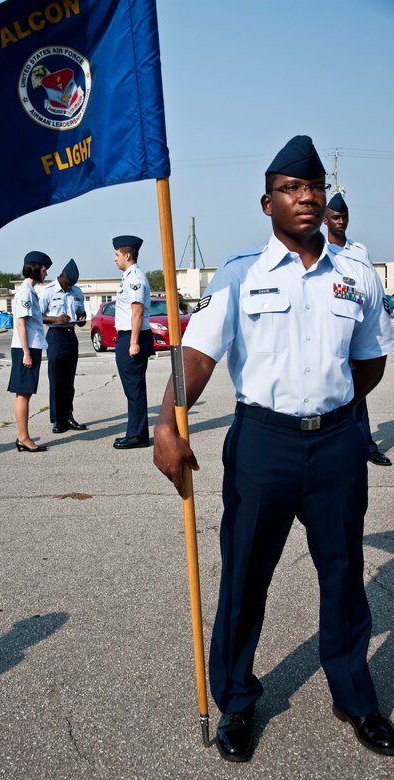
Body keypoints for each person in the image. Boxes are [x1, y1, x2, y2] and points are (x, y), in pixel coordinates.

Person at [153, 136, 394, 761]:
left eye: (313, 188)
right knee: (244, 576)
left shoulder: (355, 276)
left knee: (342, 574)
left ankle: (354, 694)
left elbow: (369, 362)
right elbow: (197, 357)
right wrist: (165, 423)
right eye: (291, 189)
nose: (306, 198)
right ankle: (235, 700)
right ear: (268, 203)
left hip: (338, 445)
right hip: (263, 444)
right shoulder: (240, 275)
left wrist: (332, 402)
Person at [324, 192, 391, 466]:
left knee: (357, 389)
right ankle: (333, 445)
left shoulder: (359, 251)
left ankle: (367, 447)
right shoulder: (319, 249)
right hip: (332, 328)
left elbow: (372, 288)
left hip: (358, 327)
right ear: (325, 220)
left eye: (344, 217)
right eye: (335, 217)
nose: (341, 222)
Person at [112, 235, 155, 449]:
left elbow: (137, 312)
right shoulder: (129, 276)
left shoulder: (134, 278)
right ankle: (135, 431)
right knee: (132, 389)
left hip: (132, 336)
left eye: (117, 254)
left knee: (135, 388)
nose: (115, 258)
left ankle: (137, 435)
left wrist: (133, 342)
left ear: (127, 255)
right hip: (129, 336)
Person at [8, 251, 51, 453]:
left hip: (30, 347)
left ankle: (23, 436)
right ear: (35, 268)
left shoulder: (30, 290)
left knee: (25, 393)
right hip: (26, 348)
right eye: (44, 269)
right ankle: (23, 437)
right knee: (23, 394)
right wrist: (26, 352)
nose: (46, 272)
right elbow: (20, 323)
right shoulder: (25, 291)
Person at [39, 259, 87, 434]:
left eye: (72, 285)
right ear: (62, 276)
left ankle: (68, 415)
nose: (69, 287)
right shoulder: (48, 291)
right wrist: (55, 319)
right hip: (55, 337)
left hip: (71, 336)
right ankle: (57, 420)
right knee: (56, 380)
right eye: (67, 284)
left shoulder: (76, 291)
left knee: (69, 381)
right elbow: (37, 315)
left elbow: (81, 311)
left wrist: (81, 318)